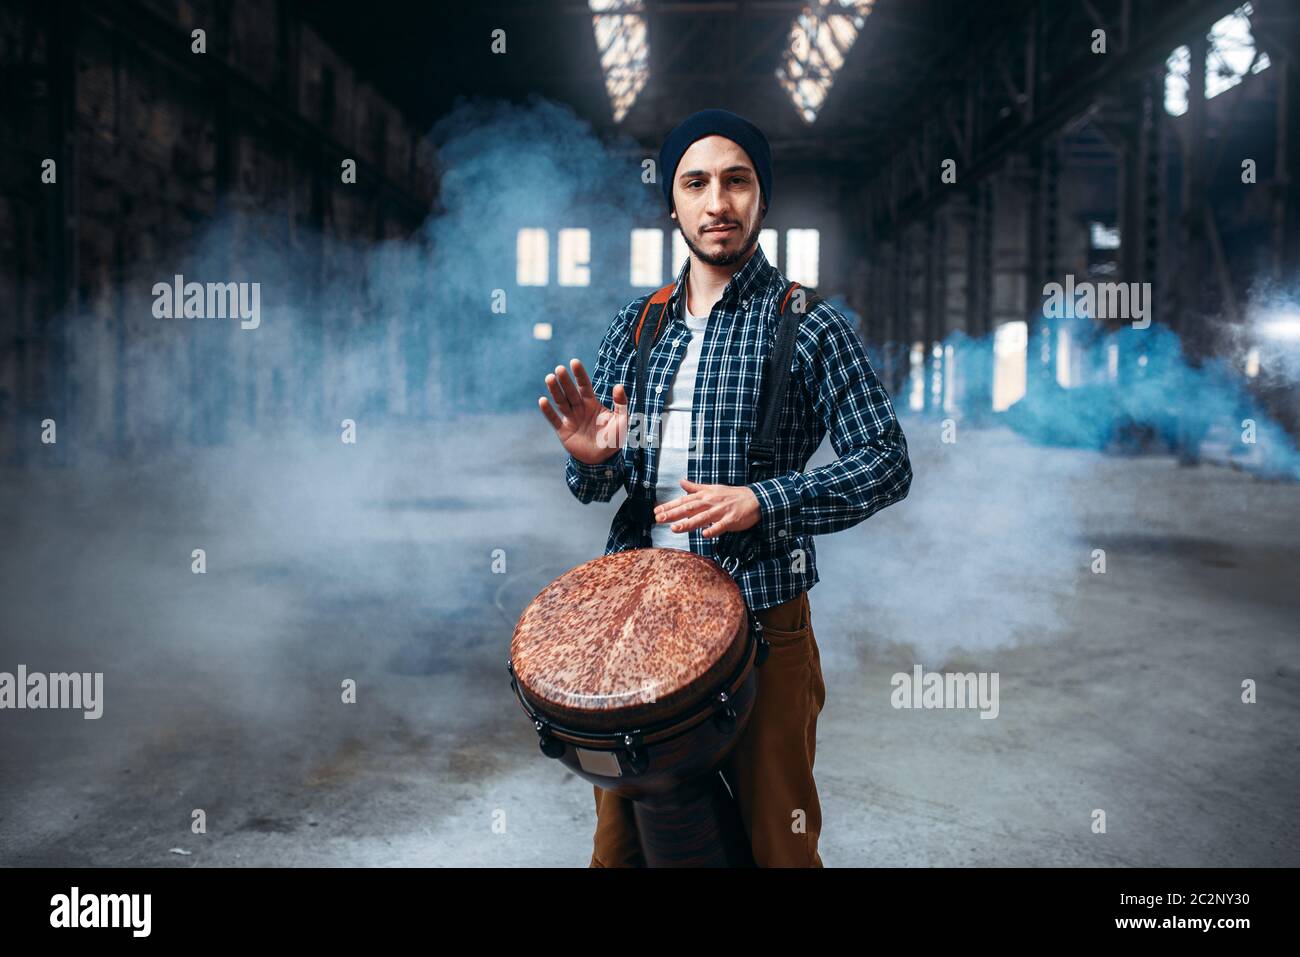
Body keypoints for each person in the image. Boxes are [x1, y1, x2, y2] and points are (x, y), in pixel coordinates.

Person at [537, 108, 912, 867]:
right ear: (672, 203)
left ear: (762, 198)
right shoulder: (638, 326)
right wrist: (591, 456)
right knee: (622, 849)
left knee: (780, 839)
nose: (718, 202)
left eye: (737, 181)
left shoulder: (808, 323)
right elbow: (597, 484)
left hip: (762, 621)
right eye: (696, 182)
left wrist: (763, 499)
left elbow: (886, 460)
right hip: (643, 624)